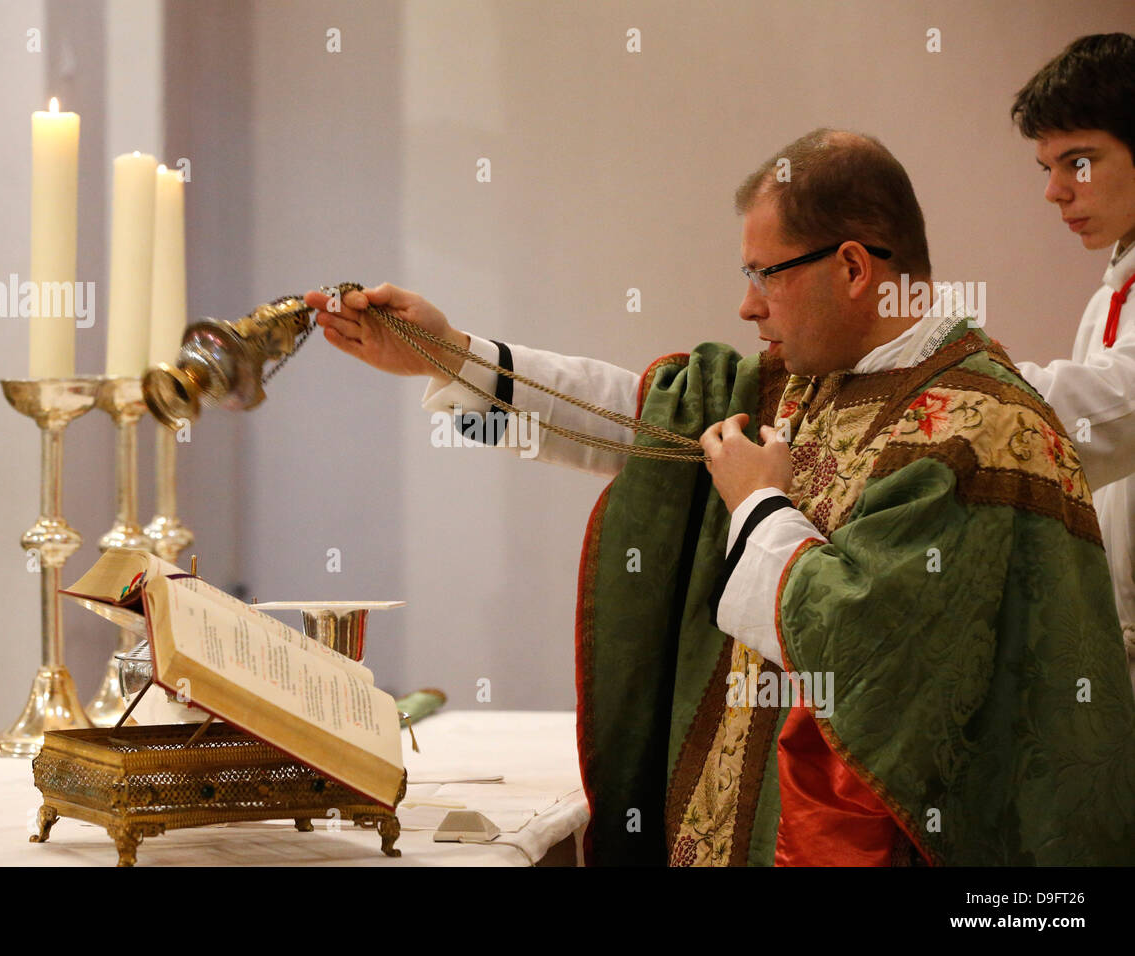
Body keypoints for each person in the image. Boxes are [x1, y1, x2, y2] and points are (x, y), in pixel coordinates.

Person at [303, 129, 1135, 866]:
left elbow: (860, 654)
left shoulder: (974, 429)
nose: (747, 305)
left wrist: (760, 510)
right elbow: (633, 420)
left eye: (765, 274)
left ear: (852, 267)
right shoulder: (811, 383)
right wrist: (452, 357)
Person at [1010, 33, 1135, 694]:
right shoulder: (1111, 295)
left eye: (1079, 162)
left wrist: (956, 378)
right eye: (1048, 168)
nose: (1056, 192)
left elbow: (1113, 409)